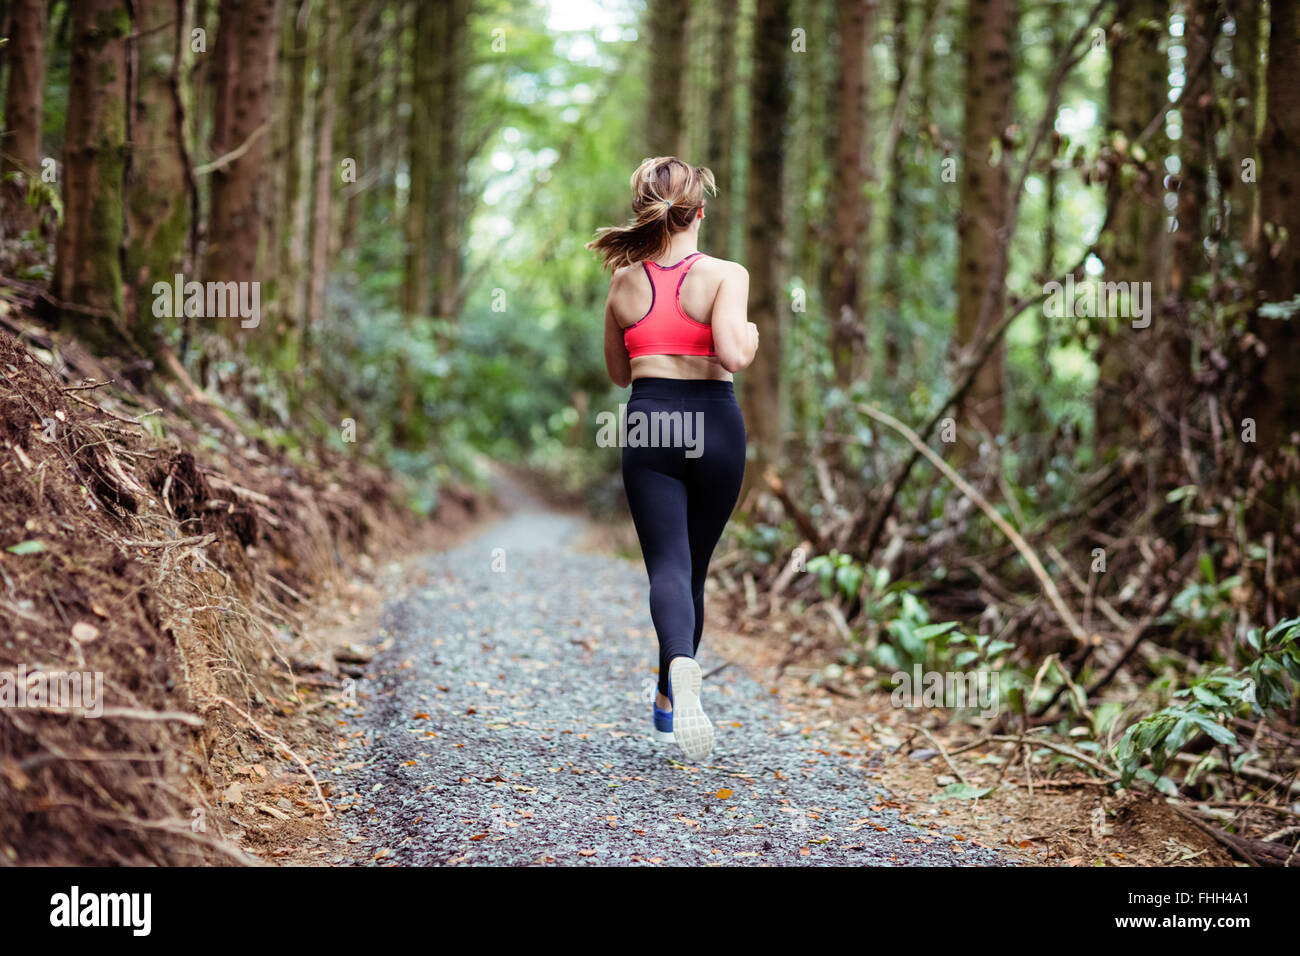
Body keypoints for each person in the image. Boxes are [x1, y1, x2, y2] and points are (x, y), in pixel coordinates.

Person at [587, 156, 759, 762]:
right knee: (694, 570)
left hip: (651, 422)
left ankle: (674, 675)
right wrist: (752, 334)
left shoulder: (623, 282)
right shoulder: (726, 275)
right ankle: (674, 684)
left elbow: (618, 373)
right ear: (699, 212)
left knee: (667, 565)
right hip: (715, 426)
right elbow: (734, 355)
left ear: (645, 213)